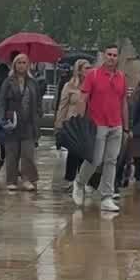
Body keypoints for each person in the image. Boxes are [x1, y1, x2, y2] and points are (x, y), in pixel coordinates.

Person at [75, 44, 129, 216]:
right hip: (97, 124)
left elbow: (123, 102)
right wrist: (81, 122)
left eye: (114, 55)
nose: (111, 57)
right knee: (95, 159)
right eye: (109, 54)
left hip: (116, 124)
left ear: (118, 58)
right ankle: (79, 182)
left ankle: (106, 196)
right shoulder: (93, 75)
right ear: (104, 56)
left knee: (111, 161)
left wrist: (126, 126)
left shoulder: (122, 77)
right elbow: (83, 99)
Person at [0, 52, 40, 192]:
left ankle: (27, 179)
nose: (21, 65)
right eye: (19, 63)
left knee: (28, 154)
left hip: (28, 123)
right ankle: (11, 180)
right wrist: (1, 119)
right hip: (12, 122)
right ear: (14, 65)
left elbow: (38, 101)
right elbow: (1, 102)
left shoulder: (33, 82)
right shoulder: (8, 82)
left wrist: (38, 115)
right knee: (12, 154)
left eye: (24, 63)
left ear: (28, 65)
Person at [55, 59, 90, 189]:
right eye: (86, 68)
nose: (89, 70)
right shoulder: (69, 86)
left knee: (84, 153)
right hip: (72, 123)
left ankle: (82, 181)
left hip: (87, 123)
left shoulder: (92, 85)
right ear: (79, 70)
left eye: (90, 68)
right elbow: (62, 105)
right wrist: (59, 124)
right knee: (74, 151)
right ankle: (70, 179)